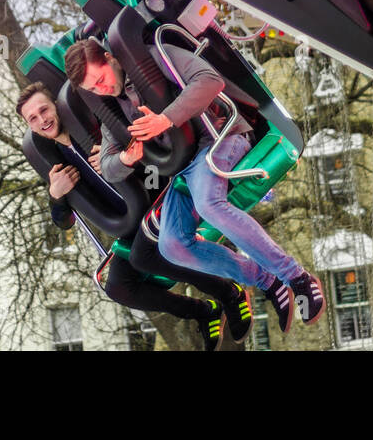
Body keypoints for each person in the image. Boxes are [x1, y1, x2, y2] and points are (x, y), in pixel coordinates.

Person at [64, 39, 325, 334]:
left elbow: (210, 81)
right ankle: (267, 280)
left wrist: (166, 119)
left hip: (219, 137)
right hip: (183, 168)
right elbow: (109, 166)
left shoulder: (152, 56)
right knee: (171, 246)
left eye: (101, 79)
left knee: (208, 204)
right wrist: (126, 157)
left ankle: (297, 277)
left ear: (110, 58)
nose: (102, 89)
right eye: (93, 89)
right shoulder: (113, 107)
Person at [16, 82, 240, 350]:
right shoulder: (56, 161)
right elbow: (64, 222)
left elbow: (149, 148)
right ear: (29, 126)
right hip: (131, 224)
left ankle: (228, 292)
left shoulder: (93, 127)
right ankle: (205, 311)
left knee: (143, 256)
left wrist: (118, 158)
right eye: (33, 118)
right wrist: (56, 195)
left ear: (57, 106)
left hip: (158, 196)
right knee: (118, 287)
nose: (42, 120)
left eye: (44, 110)